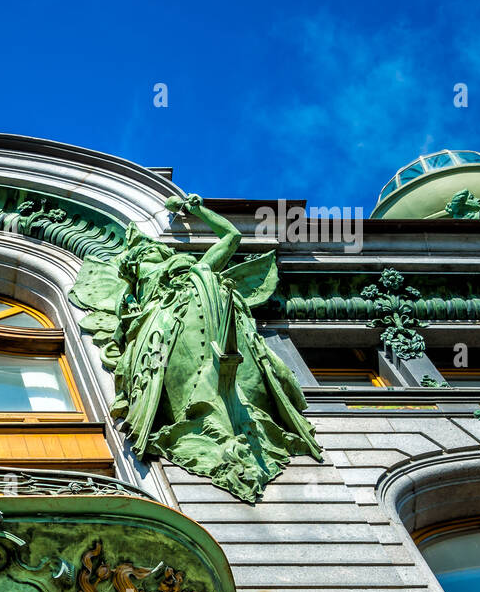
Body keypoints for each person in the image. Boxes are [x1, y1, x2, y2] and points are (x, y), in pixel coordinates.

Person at [71, 194, 321, 502]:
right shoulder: (134, 298)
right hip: (160, 329)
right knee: (153, 366)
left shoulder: (197, 272)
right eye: (149, 255)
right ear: (134, 272)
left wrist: (196, 209)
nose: (163, 258)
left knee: (273, 369)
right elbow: (121, 325)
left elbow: (232, 237)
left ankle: (247, 422)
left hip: (201, 306)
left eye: (160, 251)